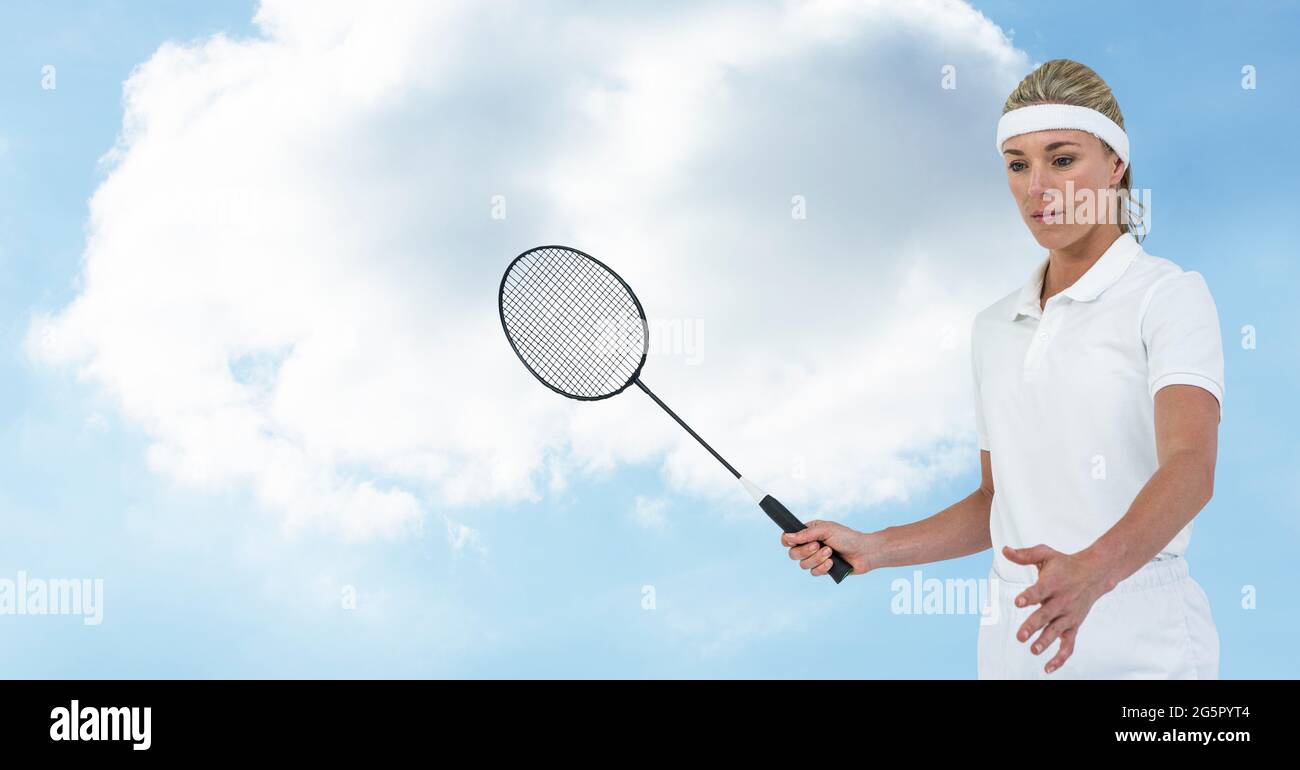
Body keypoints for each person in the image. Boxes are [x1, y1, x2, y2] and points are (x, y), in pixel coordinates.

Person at [781, 59, 1223, 679]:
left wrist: (1092, 572)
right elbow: (997, 499)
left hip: (1142, 640)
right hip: (1015, 639)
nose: (1037, 185)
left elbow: (1191, 470)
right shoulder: (993, 327)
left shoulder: (1168, 296)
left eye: (1062, 159)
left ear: (1115, 164)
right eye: (1018, 164)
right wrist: (875, 548)